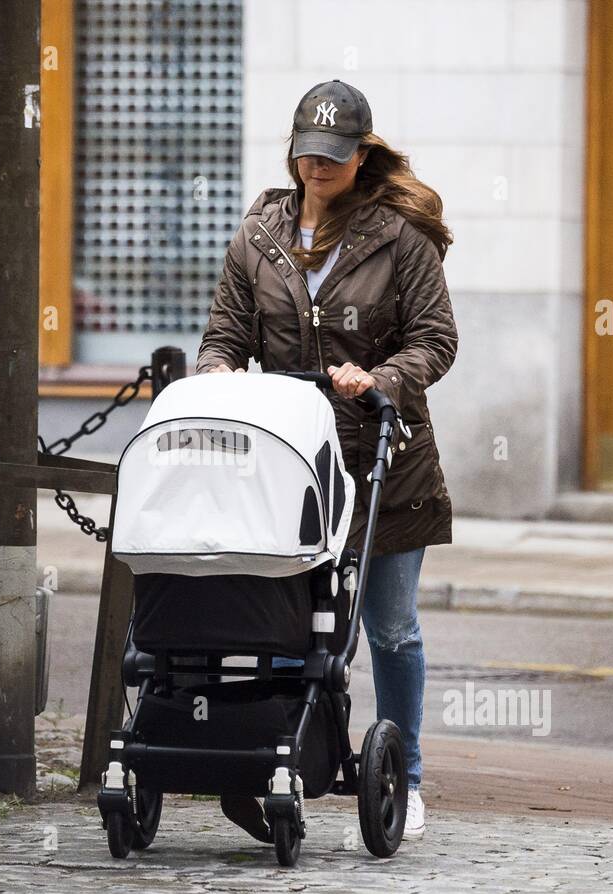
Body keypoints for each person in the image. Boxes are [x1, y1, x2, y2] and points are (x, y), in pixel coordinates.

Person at [195, 79, 457, 843]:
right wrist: (217, 370)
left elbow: (435, 339)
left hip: (383, 458)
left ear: (362, 156)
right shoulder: (261, 230)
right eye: (308, 153)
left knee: (392, 627)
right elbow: (226, 330)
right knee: (282, 623)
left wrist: (380, 379)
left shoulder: (398, 239)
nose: (318, 168)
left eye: (334, 158)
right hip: (287, 460)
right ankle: (277, 759)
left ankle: (402, 779)